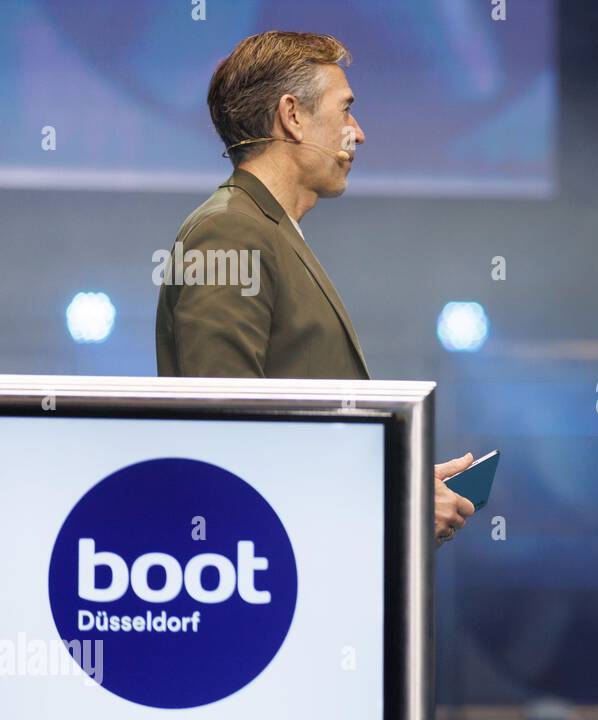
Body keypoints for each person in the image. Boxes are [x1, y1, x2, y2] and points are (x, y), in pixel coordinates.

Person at [154, 30, 473, 544]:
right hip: (262, 574)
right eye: (345, 109)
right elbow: (222, 432)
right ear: (292, 116)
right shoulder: (231, 229)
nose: (358, 132)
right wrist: (394, 493)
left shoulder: (262, 228)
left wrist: (397, 481)